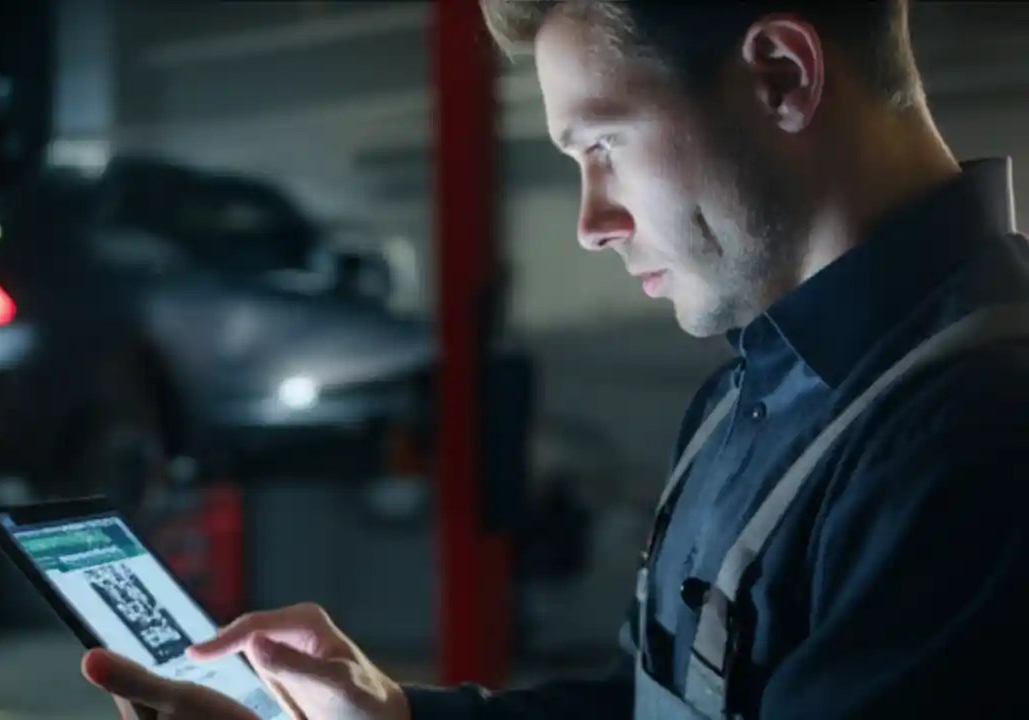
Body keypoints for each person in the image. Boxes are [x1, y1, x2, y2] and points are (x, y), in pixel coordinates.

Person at [81, 1, 1029, 717]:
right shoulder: (758, 387)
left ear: (781, 76)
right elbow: (644, 704)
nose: (591, 223)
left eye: (604, 144)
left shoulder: (980, 432)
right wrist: (397, 715)